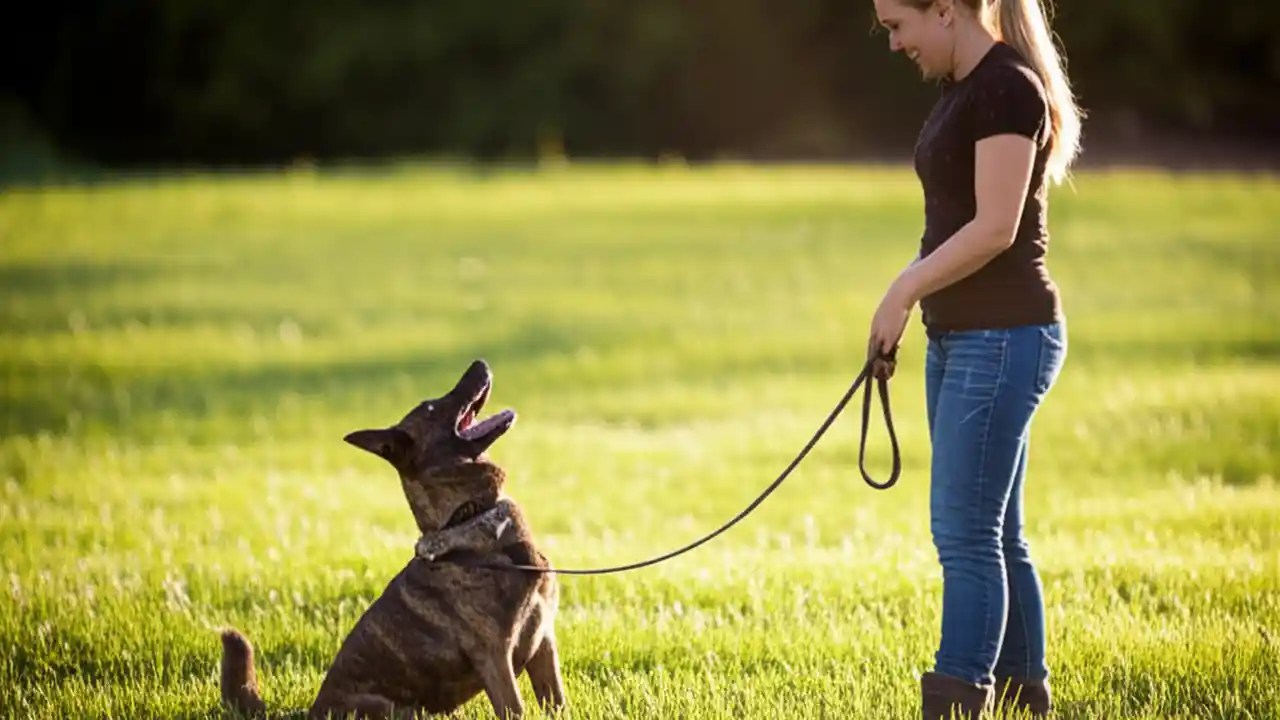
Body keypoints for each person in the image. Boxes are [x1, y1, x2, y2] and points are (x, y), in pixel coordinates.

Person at [866, 0, 1082, 717]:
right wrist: (904, 300)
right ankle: (1027, 694)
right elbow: (954, 228)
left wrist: (904, 288)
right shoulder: (970, 88)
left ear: (947, 11)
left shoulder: (1007, 88)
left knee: (964, 536)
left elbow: (995, 229)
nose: (895, 44)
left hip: (1004, 337)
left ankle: (957, 699)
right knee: (998, 533)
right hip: (964, 337)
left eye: (899, 25)